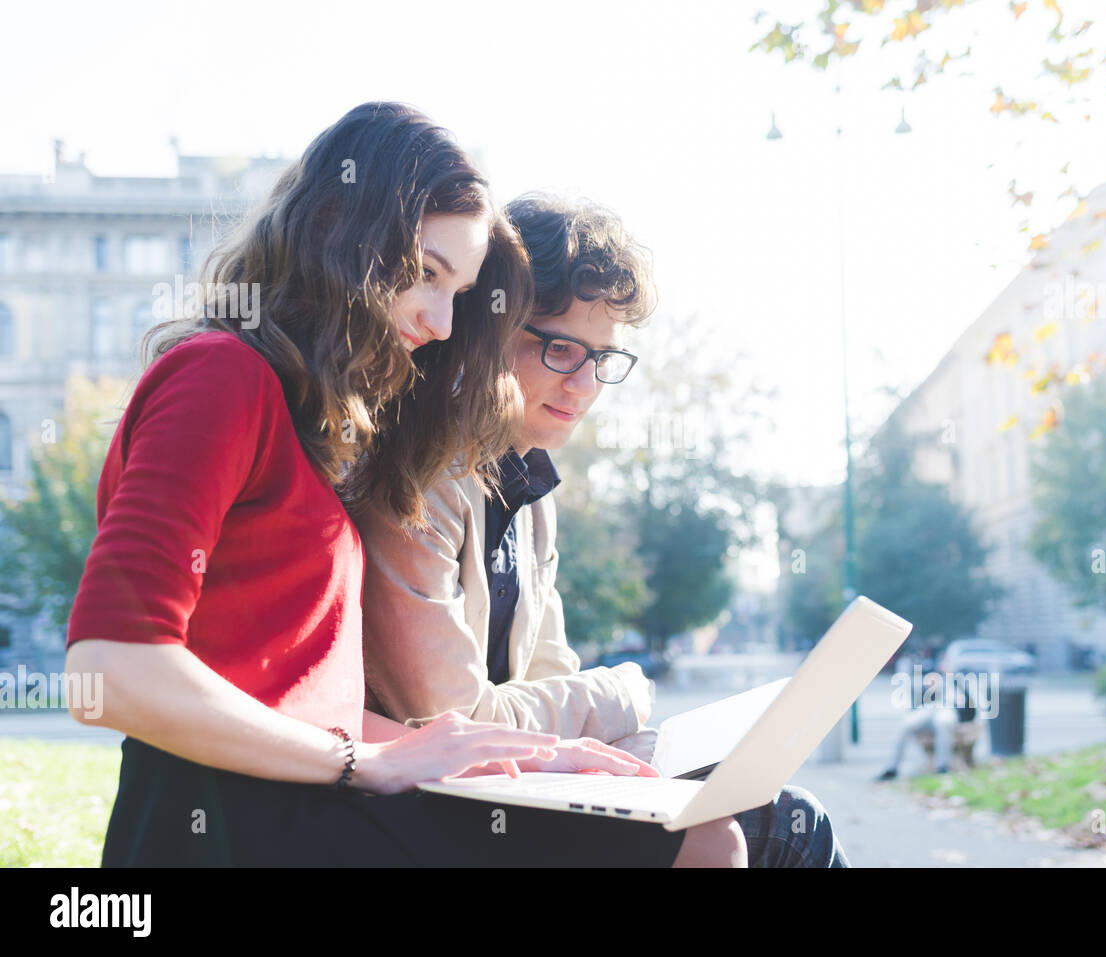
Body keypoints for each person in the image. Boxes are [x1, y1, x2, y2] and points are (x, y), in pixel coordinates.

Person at [64, 103, 743, 867]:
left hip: (310, 797)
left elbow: (295, 700)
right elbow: (109, 669)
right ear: (335, 228)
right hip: (222, 820)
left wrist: (487, 750)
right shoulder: (219, 376)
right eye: (426, 274)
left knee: (699, 817)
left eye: (459, 291)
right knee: (699, 841)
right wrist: (366, 761)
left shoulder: (312, 426)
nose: (444, 322)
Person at [356, 193, 845, 867]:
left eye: (604, 358)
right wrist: (616, 693)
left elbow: (547, 675)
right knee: (753, 834)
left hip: (523, 784)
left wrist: (627, 743)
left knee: (786, 812)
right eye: (560, 348)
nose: (584, 383)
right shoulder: (418, 477)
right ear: (488, 327)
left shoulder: (531, 486)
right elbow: (452, 719)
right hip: (429, 800)